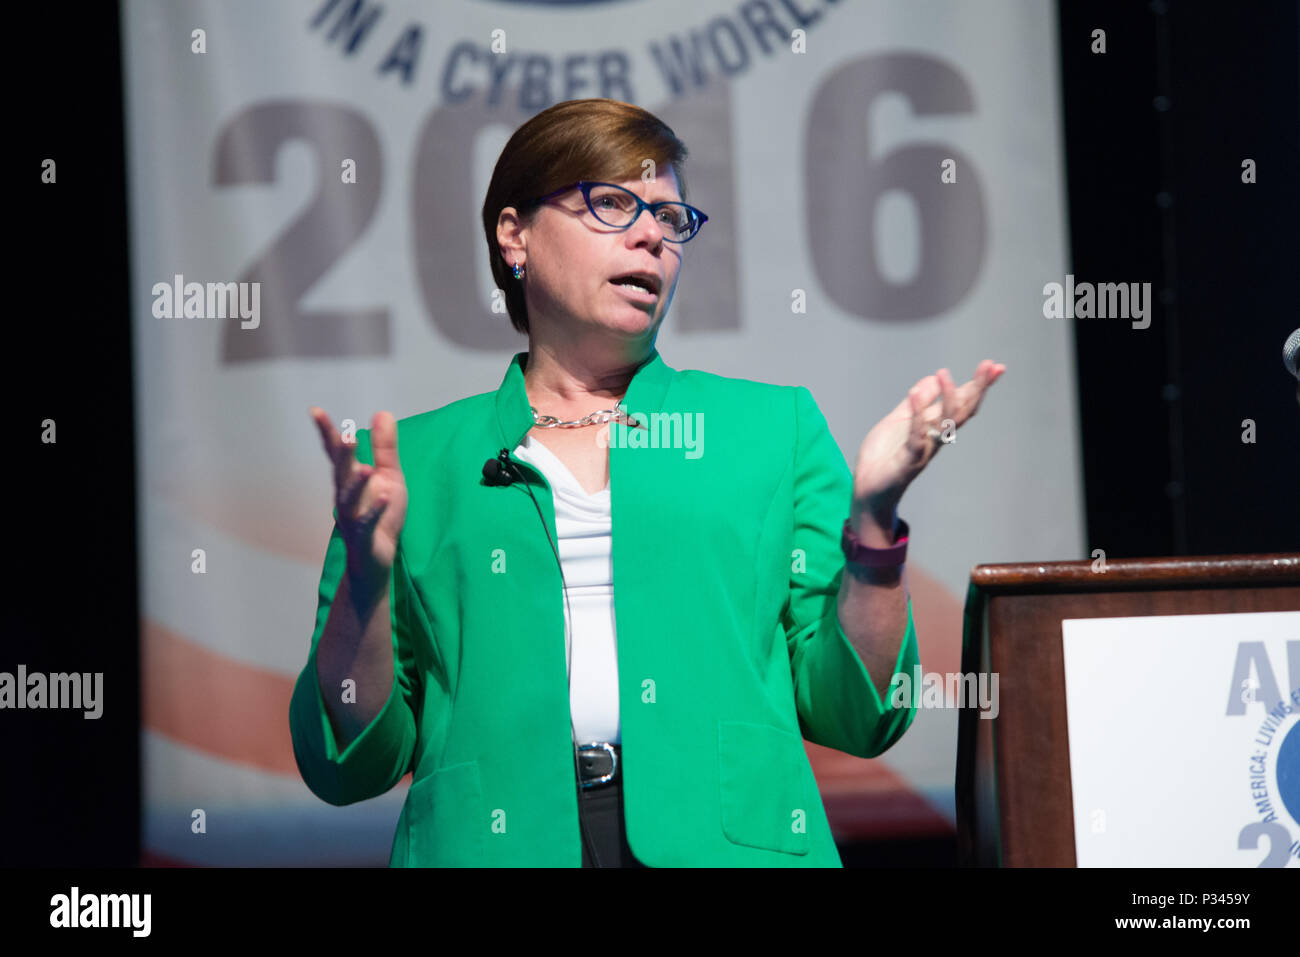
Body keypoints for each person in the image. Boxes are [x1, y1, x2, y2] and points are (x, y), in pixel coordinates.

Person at [291, 97, 1005, 867]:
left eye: (669, 218)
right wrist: (366, 579)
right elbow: (350, 760)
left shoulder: (770, 430)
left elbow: (858, 713)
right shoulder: (413, 462)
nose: (649, 235)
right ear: (514, 234)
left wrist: (873, 525)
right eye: (611, 203)